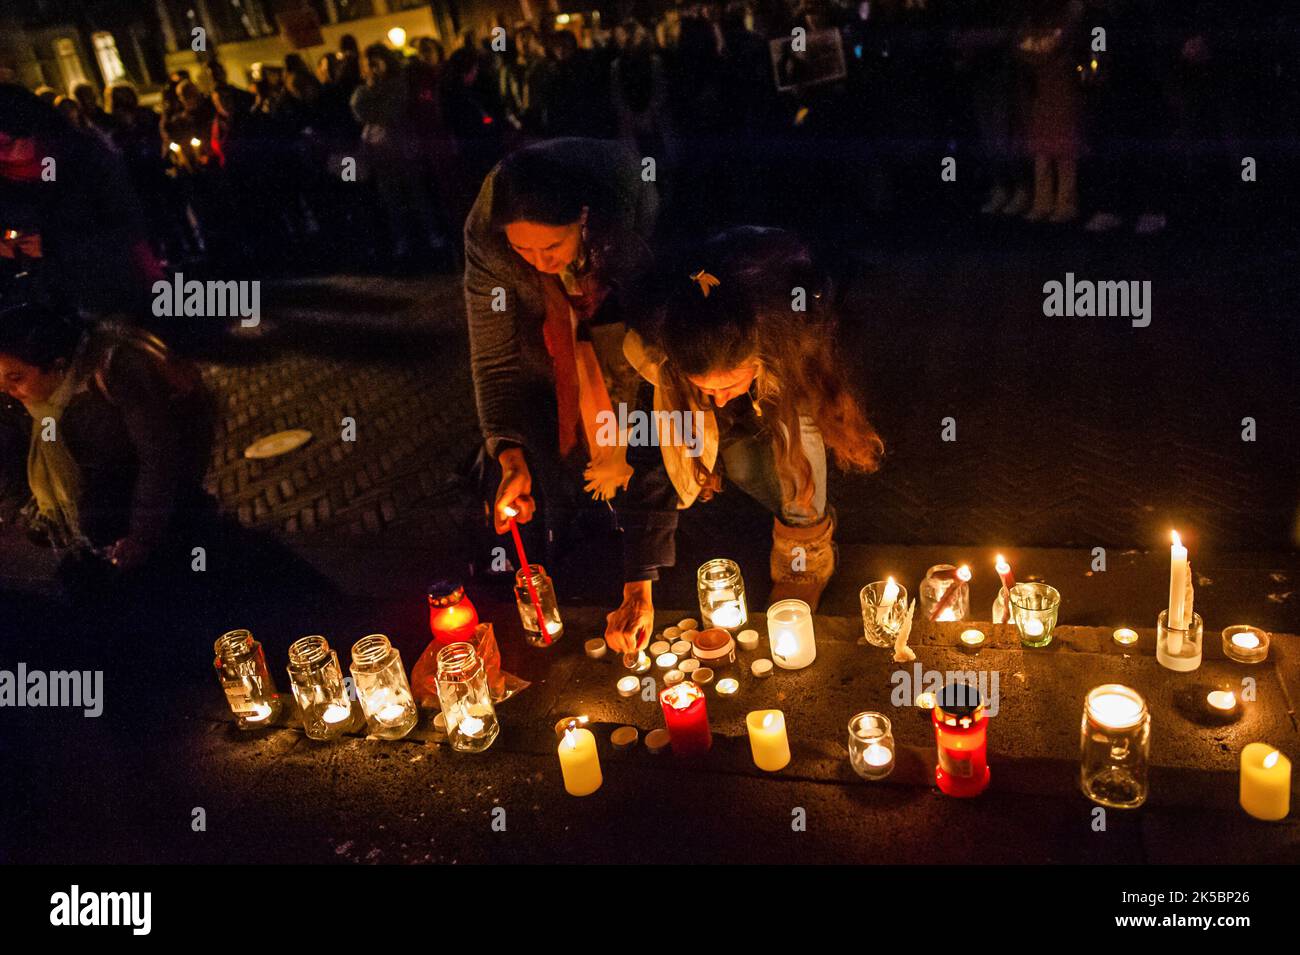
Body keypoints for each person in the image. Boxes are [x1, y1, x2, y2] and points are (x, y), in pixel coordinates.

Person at [604, 227, 884, 651]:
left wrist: (800, 529)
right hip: (730, 343)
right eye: (706, 389)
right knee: (742, 464)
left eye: (728, 385)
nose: (716, 399)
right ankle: (791, 514)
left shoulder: (794, 325)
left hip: (789, 352)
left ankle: (806, 553)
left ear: (757, 358)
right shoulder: (660, 349)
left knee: (796, 440)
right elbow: (650, 457)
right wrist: (637, 584)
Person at [464, 137, 658, 577]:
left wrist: (626, 436)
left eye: (550, 248)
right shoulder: (487, 237)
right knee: (552, 424)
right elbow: (493, 357)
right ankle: (578, 530)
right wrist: (508, 453)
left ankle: (648, 531)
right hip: (550, 330)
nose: (537, 261)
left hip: (620, 305)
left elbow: (647, 325)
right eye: (523, 250)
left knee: (641, 406)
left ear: (583, 219)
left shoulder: (626, 200)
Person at [0, 304, 213, 605]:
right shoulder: (34, 402)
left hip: (165, 484)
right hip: (113, 487)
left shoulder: (116, 369)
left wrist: (141, 537)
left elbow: (160, 457)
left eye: (16, 378)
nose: (7, 390)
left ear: (58, 364)